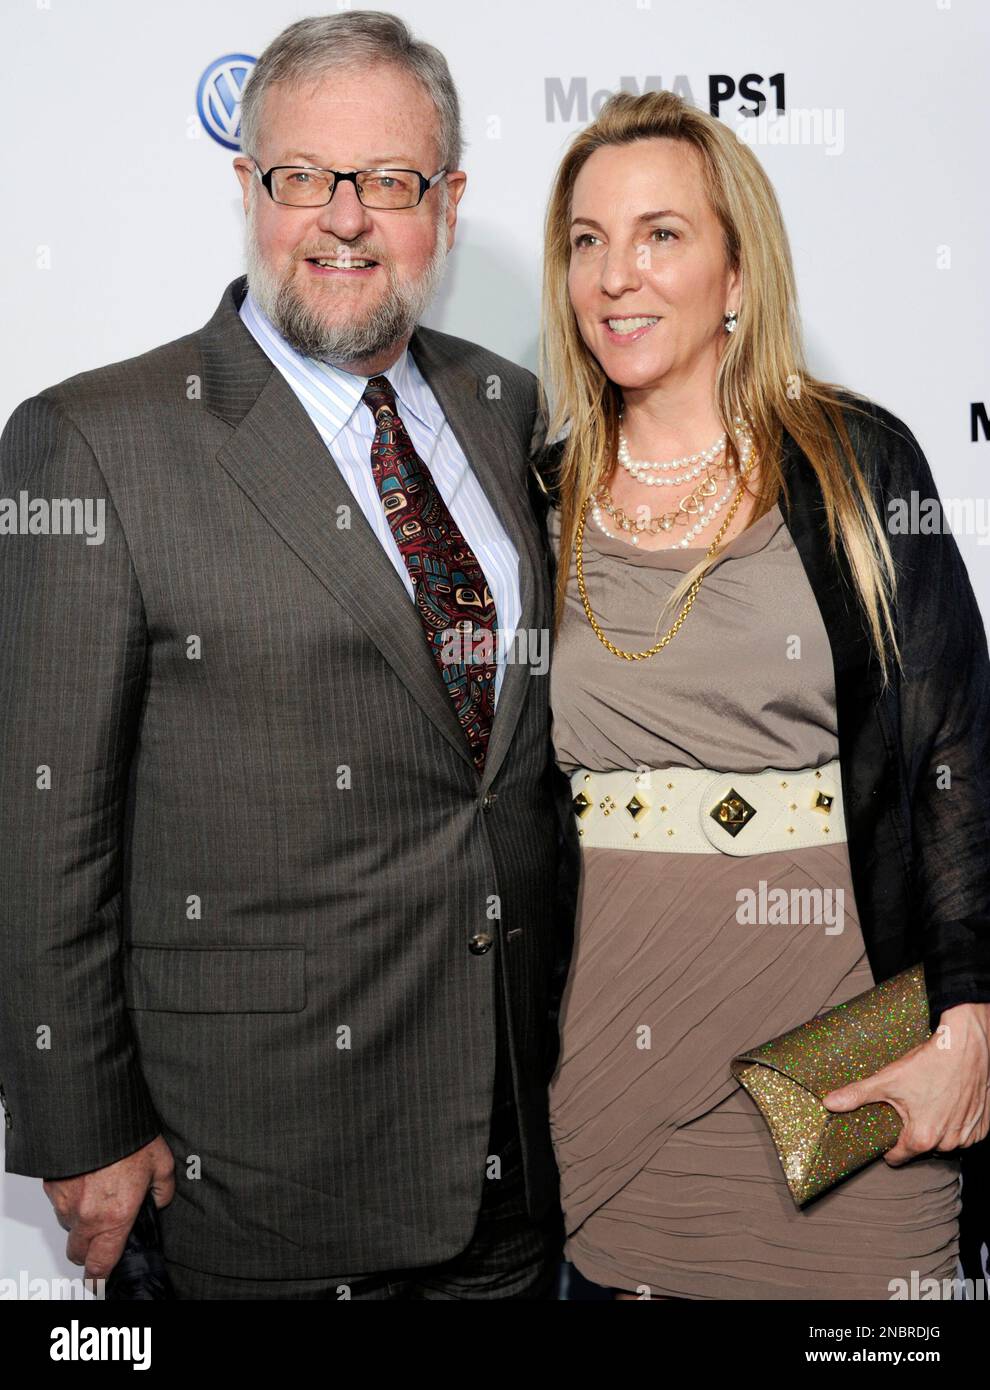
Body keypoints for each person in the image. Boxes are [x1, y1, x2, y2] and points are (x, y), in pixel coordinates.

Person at [0, 11, 576, 1300]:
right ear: (248, 187)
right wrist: (80, 1123)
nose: (344, 219)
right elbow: (40, 830)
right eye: (302, 178)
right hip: (250, 1175)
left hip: (515, 1156)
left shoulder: (506, 406)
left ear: (450, 200)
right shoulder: (96, 441)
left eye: (389, 181)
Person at [531, 88, 990, 1301]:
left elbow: (953, 750)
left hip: (836, 1081)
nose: (617, 275)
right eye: (588, 240)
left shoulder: (856, 462)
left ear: (739, 272)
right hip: (608, 1079)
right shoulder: (539, 493)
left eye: (661, 234)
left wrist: (971, 1023)